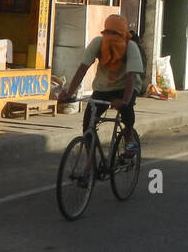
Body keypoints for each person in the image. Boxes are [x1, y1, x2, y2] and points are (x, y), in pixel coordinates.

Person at [61, 14, 143, 153]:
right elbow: (83, 68)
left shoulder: (131, 47)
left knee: (127, 112)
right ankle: (89, 163)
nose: (111, 37)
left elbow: (131, 76)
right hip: (103, 88)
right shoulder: (98, 43)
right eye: (108, 33)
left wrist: (124, 100)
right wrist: (69, 92)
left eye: (115, 34)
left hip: (126, 87)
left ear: (123, 34)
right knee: (88, 123)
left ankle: (129, 139)